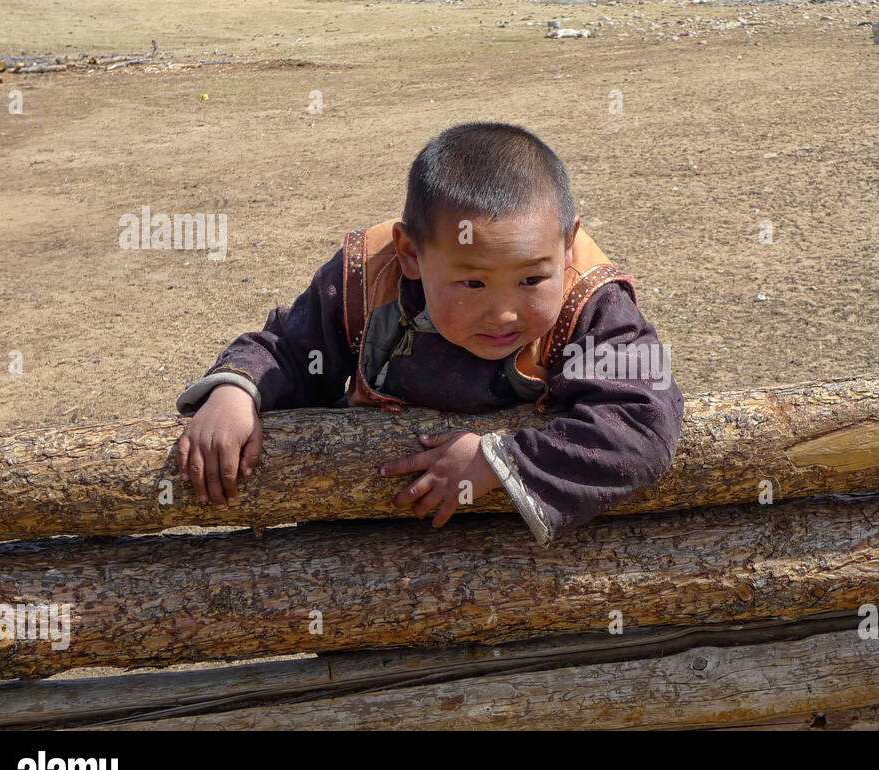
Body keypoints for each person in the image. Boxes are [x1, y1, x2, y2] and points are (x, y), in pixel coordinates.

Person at [174, 121, 684, 544]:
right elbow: (290, 349)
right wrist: (235, 391)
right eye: (472, 282)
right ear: (411, 253)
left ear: (568, 246)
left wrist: (497, 461)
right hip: (364, 544)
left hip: (522, 560)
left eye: (532, 279)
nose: (504, 314)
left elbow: (641, 421)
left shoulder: (591, 304)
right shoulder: (366, 280)